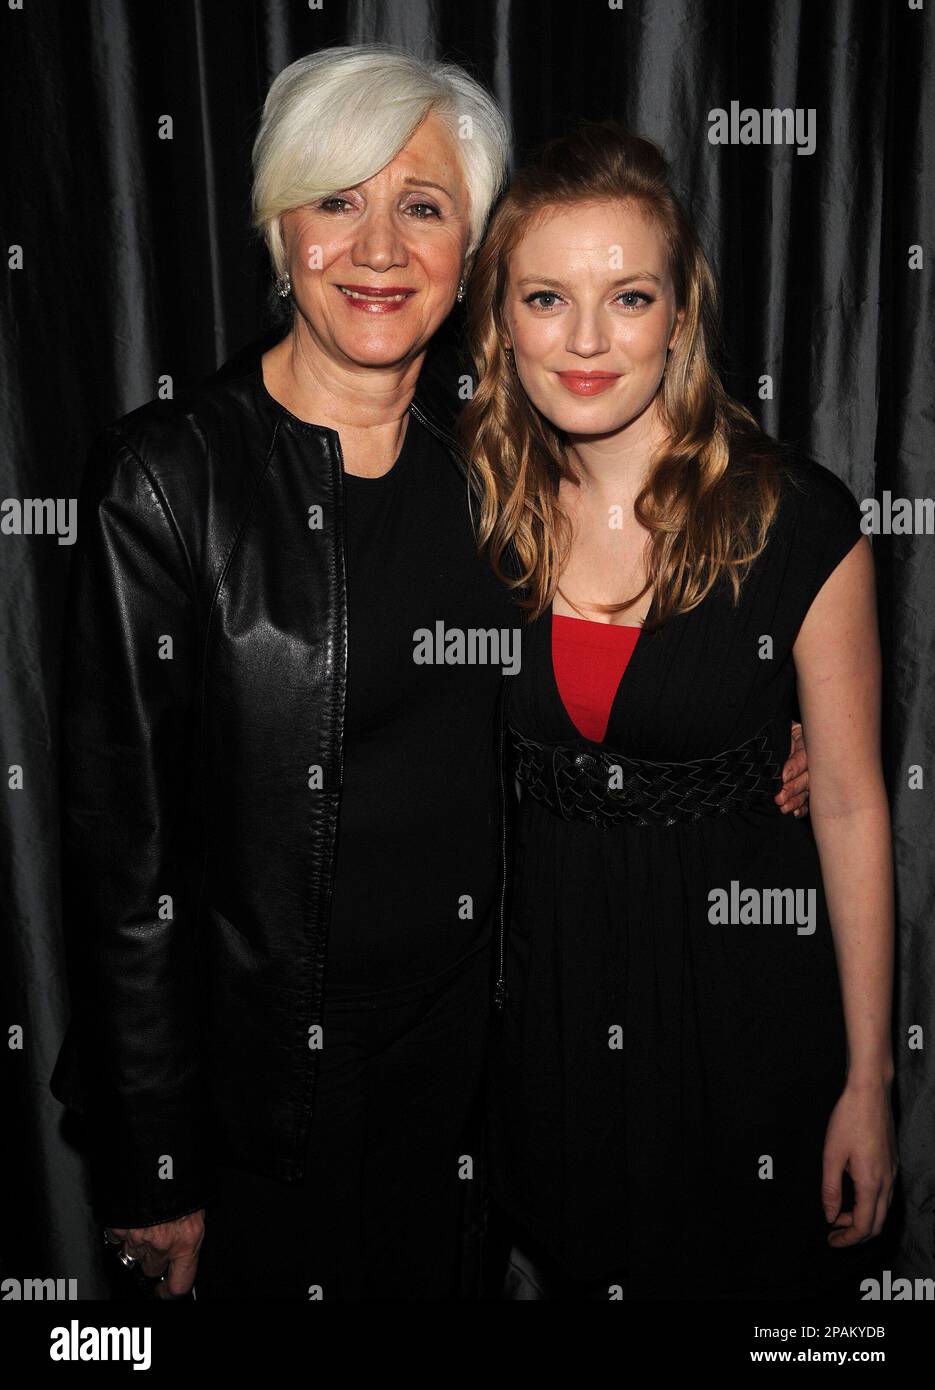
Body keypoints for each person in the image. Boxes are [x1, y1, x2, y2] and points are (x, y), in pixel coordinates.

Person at [49, 47, 809, 1302]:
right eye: (335, 199)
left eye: (423, 204)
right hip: (259, 1109)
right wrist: (153, 1154)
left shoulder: (501, 476)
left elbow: (616, 672)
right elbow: (118, 859)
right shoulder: (169, 479)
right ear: (277, 227)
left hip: (470, 1089)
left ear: (472, 253)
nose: (378, 248)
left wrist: (760, 745)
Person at [458, 122, 898, 1299]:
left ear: (679, 313)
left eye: (628, 295)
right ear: (500, 320)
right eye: (547, 297)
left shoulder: (794, 521)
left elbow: (852, 806)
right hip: (548, 1029)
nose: (588, 340)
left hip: (742, 1022)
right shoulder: (470, 516)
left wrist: (868, 1079)